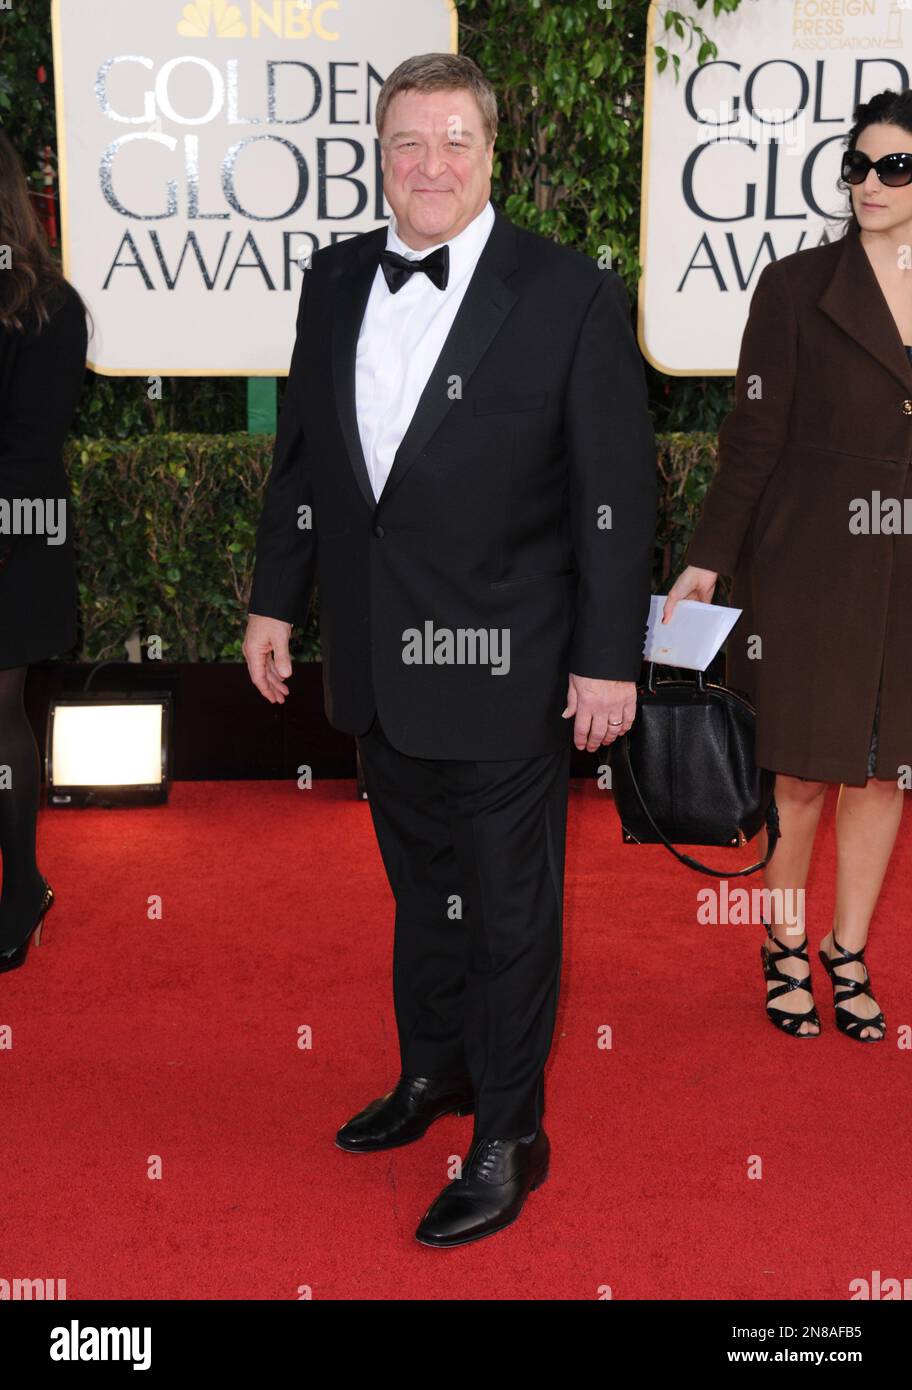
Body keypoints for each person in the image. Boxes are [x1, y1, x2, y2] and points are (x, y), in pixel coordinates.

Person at [244, 52, 656, 1246]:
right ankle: (437, 1075)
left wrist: (607, 660)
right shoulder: (332, 280)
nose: (430, 165)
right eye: (407, 142)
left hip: (510, 665)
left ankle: (508, 1134)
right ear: (379, 155)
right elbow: (307, 463)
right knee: (423, 894)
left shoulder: (569, 292)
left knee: (514, 914)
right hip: (380, 664)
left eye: (455, 141)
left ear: (492, 154)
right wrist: (278, 599)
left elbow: (613, 494)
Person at [664, 89, 912, 1043]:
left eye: (894, 166)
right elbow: (752, 437)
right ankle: (783, 944)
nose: (871, 184)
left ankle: (846, 952)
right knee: (803, 775)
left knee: (886, 772)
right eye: (858, 165)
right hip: (811, 561)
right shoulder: (796, 286)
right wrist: (706, 562)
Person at [0, 127, 89, 974]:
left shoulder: (50, 305)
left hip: (13, 534)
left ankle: (20, 886)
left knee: (0, 714)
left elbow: (32, 443)